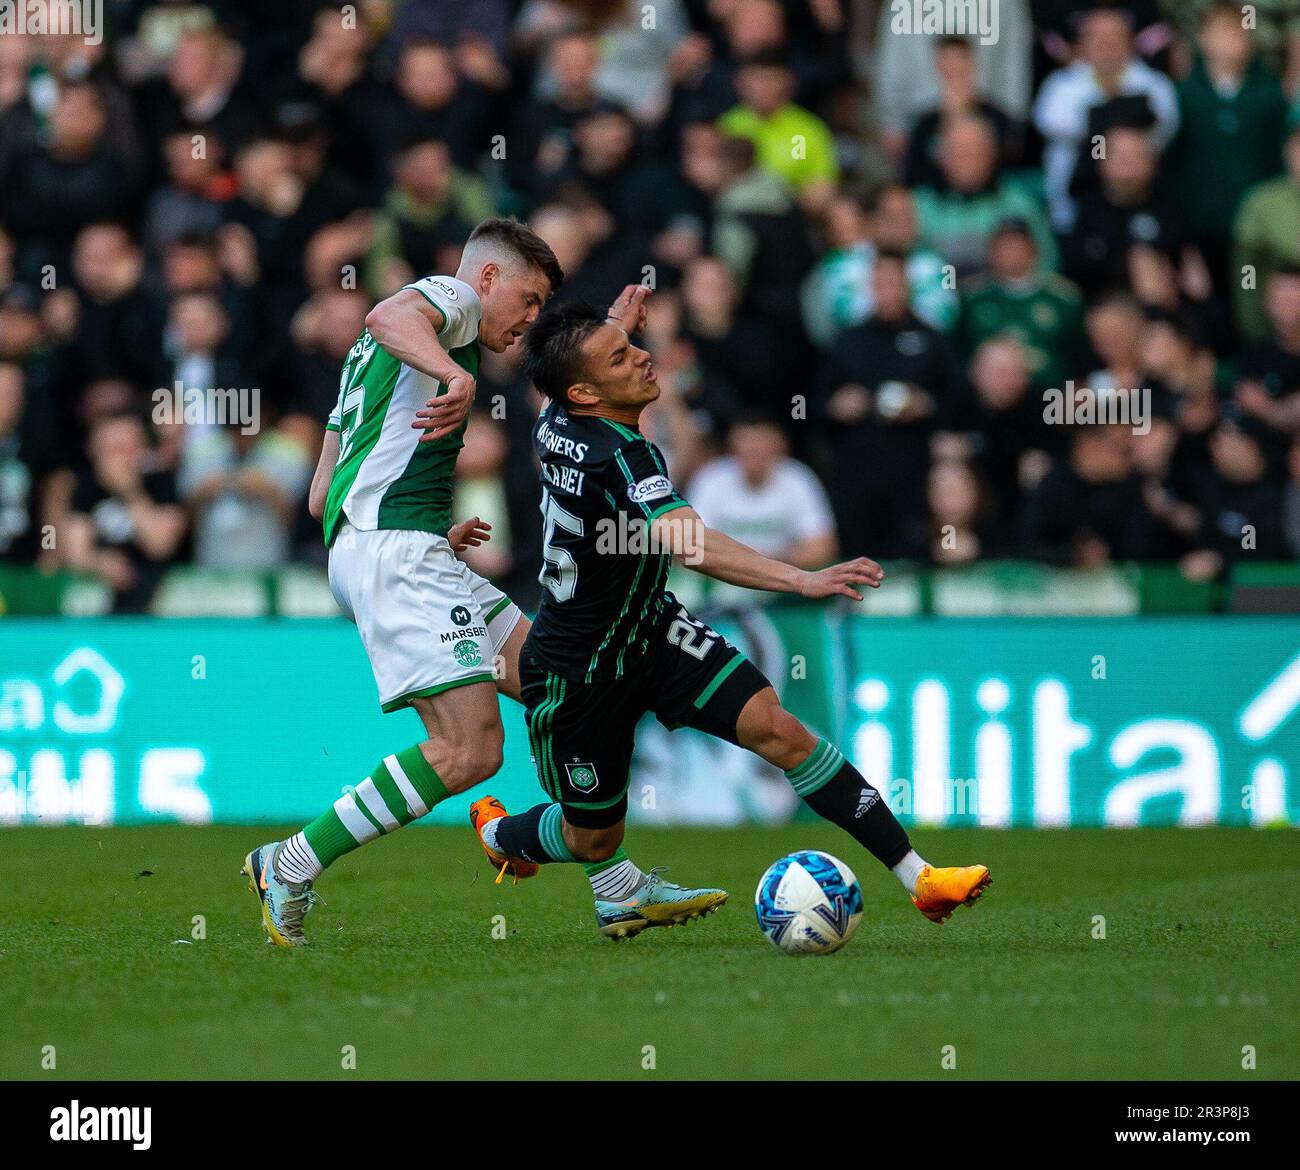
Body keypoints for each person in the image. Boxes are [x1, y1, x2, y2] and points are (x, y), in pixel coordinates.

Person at [469, 298, 991, 939]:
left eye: (630, 345)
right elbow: (693, 545)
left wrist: (609, 326)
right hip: (581, 668)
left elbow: (563, 375)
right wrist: (800, 577)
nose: (643, 355)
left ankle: (921, 878)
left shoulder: (558, 416)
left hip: (653, 631)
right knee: (592, 839)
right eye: (621, 355)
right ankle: (503, 835)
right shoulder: (623, 458)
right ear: (584, 390)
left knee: (779, 729)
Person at [240, 218, 562, 946]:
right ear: (486, 280)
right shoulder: (446, 301)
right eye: (530, 297)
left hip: (404, 546)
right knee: (470, 751)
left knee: (556, 681)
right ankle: (290, 863)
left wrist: (410, 530)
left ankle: (613, 883)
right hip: (398, 553)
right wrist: (456, 373)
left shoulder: (366, 361)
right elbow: (387, 311)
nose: (532, 319)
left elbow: (324, 496)